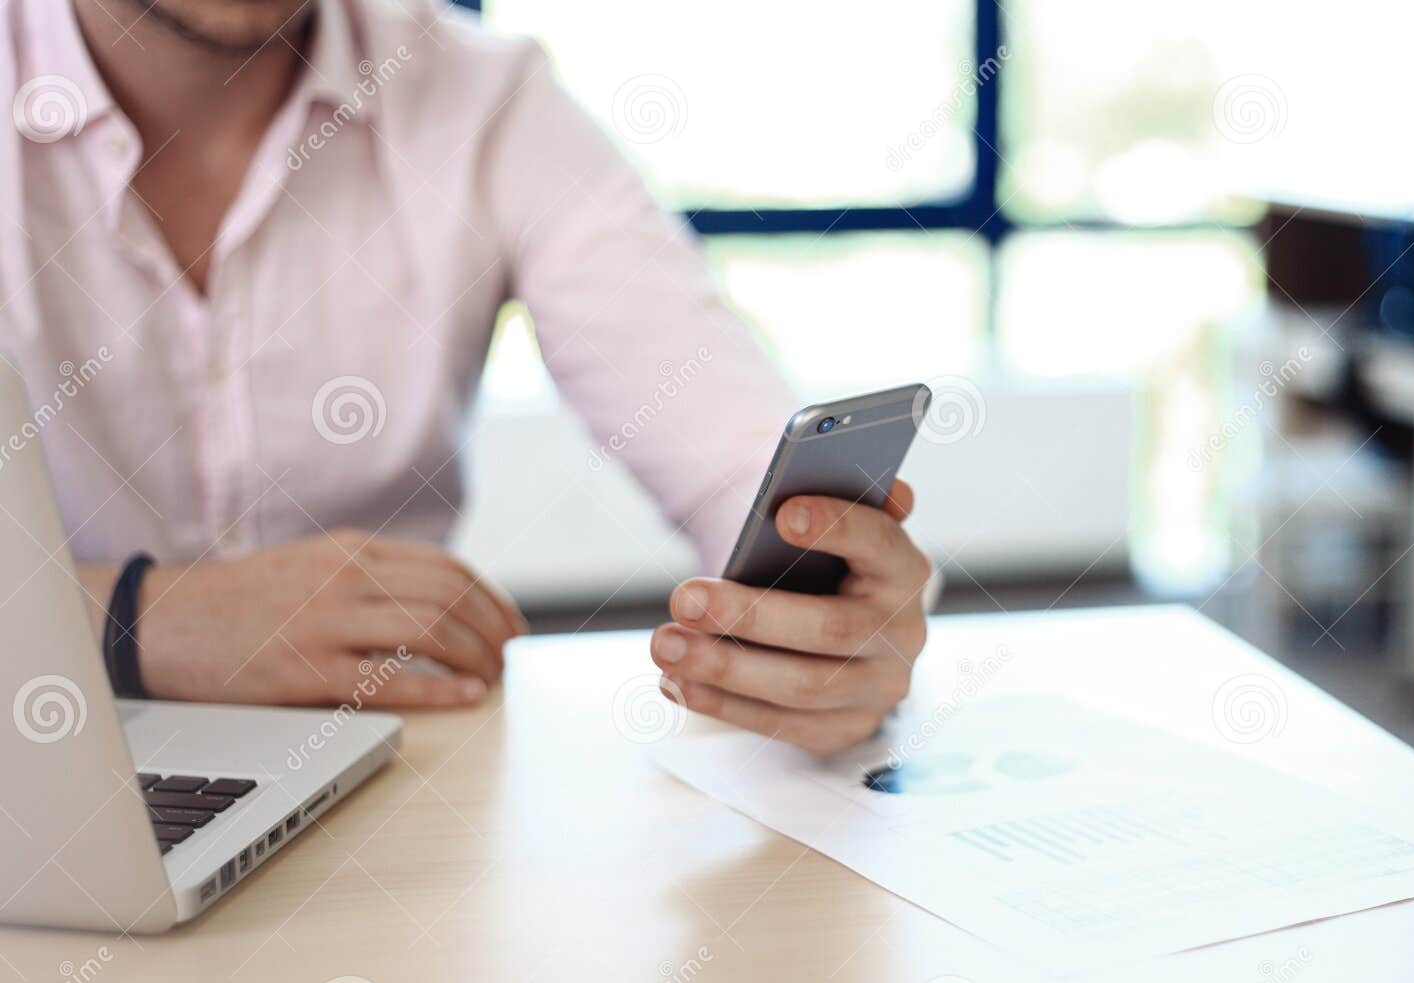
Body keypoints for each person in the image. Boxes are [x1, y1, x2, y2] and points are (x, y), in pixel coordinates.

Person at [0, 0, 929, 752]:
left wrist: (843, 621)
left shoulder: (483, 99)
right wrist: (131, 618)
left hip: (400, 804)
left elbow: (736, 454)